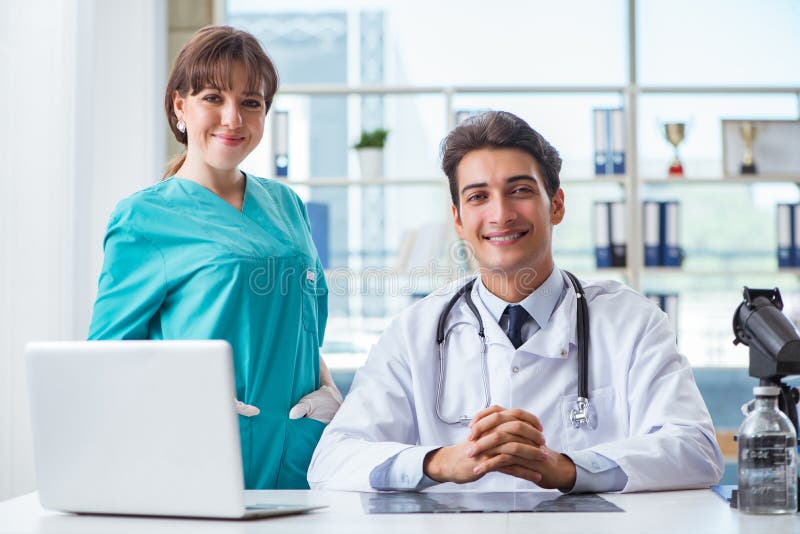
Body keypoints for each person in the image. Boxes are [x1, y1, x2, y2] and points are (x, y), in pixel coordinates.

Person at [308, 111, 724, 493]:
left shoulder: (631, 321)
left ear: (556, 205)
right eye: (478, 197)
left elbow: (697, 447)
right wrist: (439, 461)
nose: (501, 214)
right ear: (457, 219)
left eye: (519, 190)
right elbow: (332, 459)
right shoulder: (414, 331)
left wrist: (568, 468)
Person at [88, 25, 341, 489]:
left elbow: (301, 324)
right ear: (180, 106)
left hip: (301, 456)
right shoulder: (145, 218)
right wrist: (186, 395)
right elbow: (106, 360)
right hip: (203, 454)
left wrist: (330, 395)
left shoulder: (287, 206)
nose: (233, 119)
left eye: (251, 102)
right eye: (212, 98)